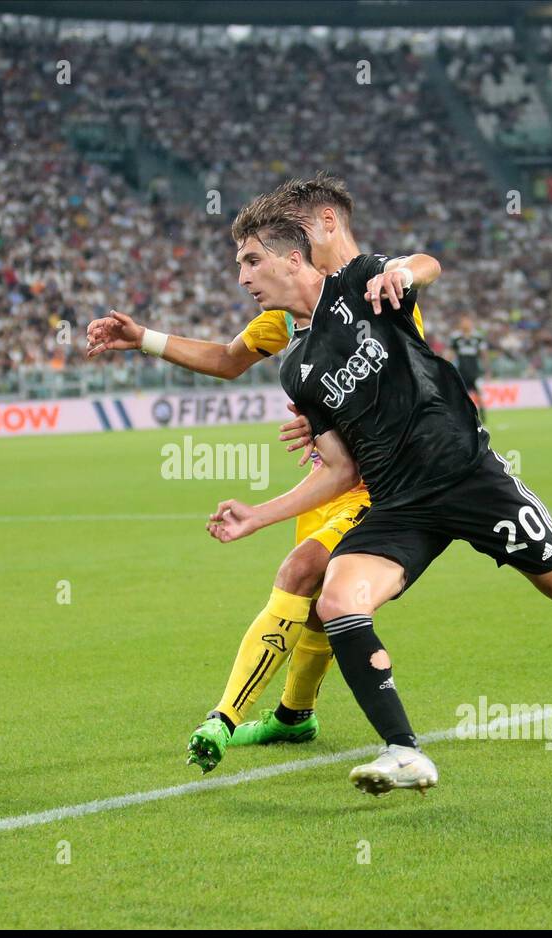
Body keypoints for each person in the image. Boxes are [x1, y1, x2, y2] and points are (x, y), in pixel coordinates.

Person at [208, 205, 552, 796]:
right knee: (337, 599)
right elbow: (339, 470)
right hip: (399, 504)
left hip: (469, 478)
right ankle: (404, 752)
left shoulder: (358, 283)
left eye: (251, 260)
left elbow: (424, 263)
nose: (242, 278)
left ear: (292, 257)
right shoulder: (297, 370)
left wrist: (405, 275)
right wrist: (260, 514)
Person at [86, 174, 427, 773]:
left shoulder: (371, 294)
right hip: (331, 477)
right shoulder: (283, 323)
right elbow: (225, 360)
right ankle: (296, 717)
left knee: (301, 573)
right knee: (318, 598)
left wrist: (341, 426)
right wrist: (144, 338)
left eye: (252, 259)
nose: (245, 276)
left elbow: (407, 370)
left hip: (382, 479)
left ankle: (224, 717)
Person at [446, 313, 489, 421]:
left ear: (471, 323)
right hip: (461, 371)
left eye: (467, 322)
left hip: (475, 371)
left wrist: (487, 370)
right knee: (461, 395)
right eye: (463, 322)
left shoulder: (478, 337)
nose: (465, 324)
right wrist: (446, 366)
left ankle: (483, 416)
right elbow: (451, 353)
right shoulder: (456, 337)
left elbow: (484, 355)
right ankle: (462, 415)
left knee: (479, 394)